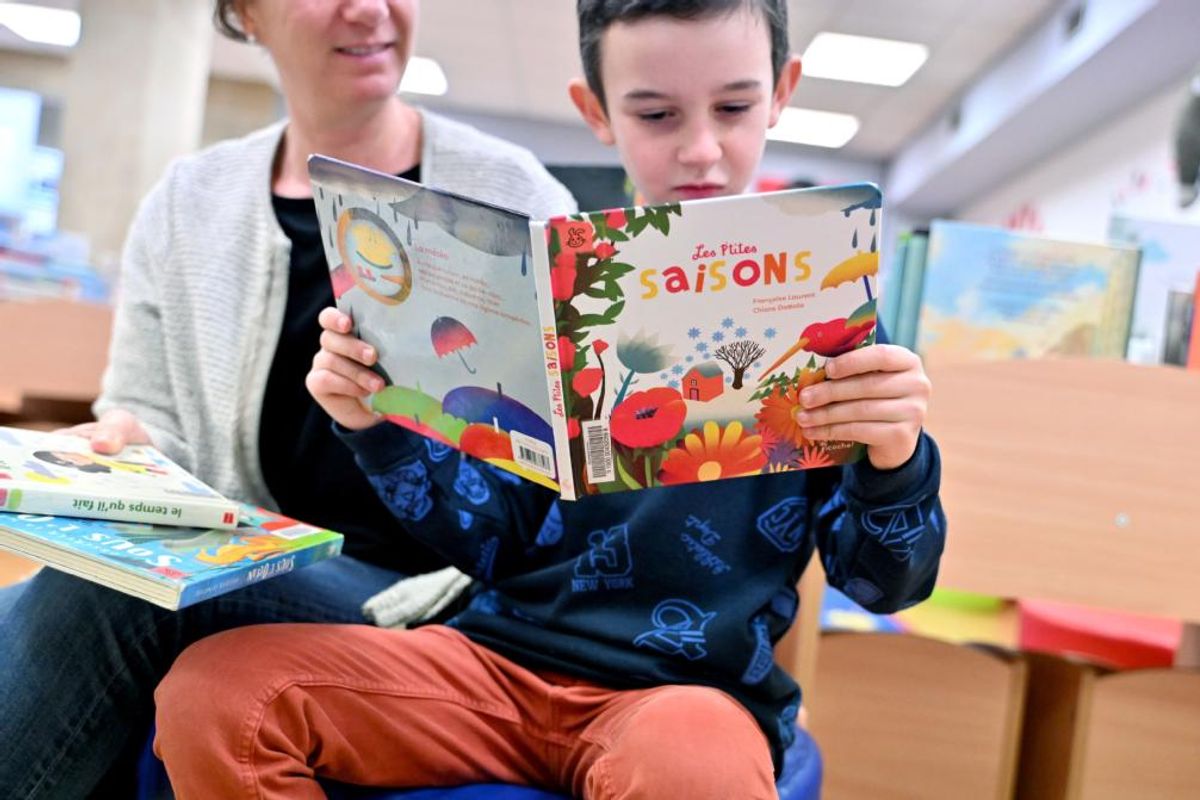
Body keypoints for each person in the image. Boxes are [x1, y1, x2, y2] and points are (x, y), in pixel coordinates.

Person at [153, 1, 946, 798]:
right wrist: (377, 428)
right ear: (596, 111)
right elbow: (493, 543)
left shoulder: (829, 319)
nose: (700, 148)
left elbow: (883, 586)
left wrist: (897, 459)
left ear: (783, 92)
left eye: (734, 107)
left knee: (694, 764)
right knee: (220, 691)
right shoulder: (557, 295)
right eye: (656, 112)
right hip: (490, 664)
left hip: (683, 699)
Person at [0, 1, 574, 797]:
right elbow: (146, 412)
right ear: (245, 14)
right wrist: (128, 444)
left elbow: (564, 471)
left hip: (438, 603)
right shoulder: (188, 200)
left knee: (107, 602)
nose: (368, 8)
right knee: (40, 602)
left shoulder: (515, 199)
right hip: (246, 558)